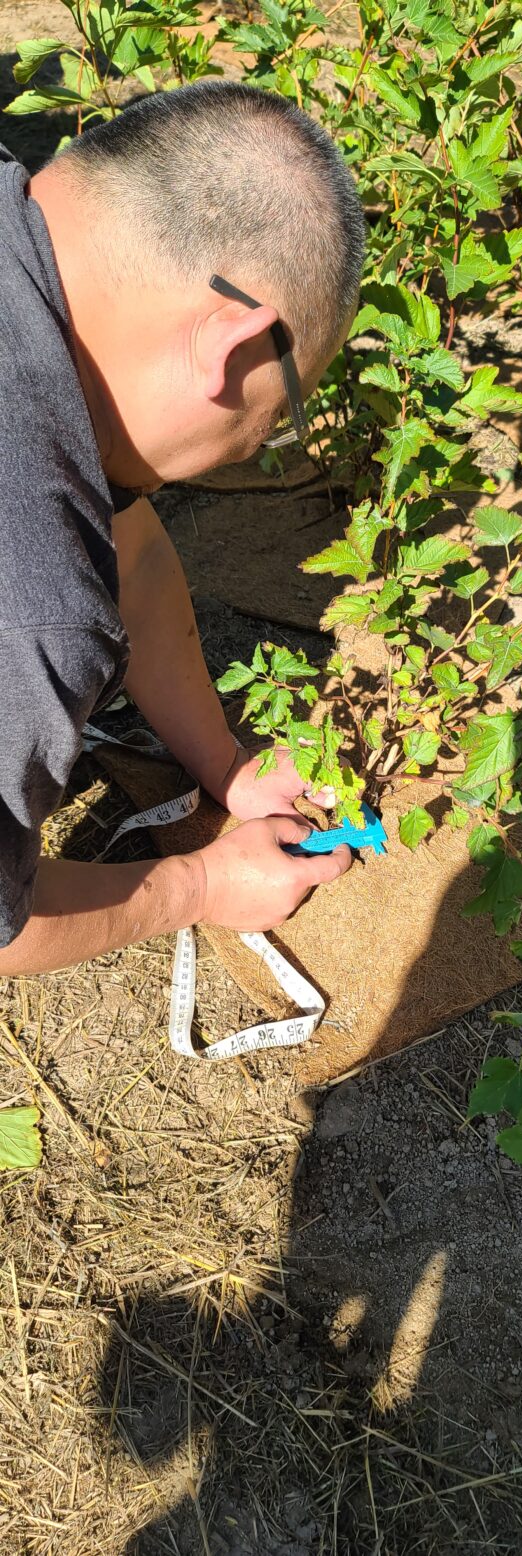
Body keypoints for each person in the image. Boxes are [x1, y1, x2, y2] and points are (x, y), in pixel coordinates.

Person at [0, 81, 366, 976]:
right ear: (234, 346)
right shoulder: (33, 606)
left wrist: (228, 760)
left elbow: (128, 540)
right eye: (282, 415)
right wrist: (198, 886)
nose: (258, 442)